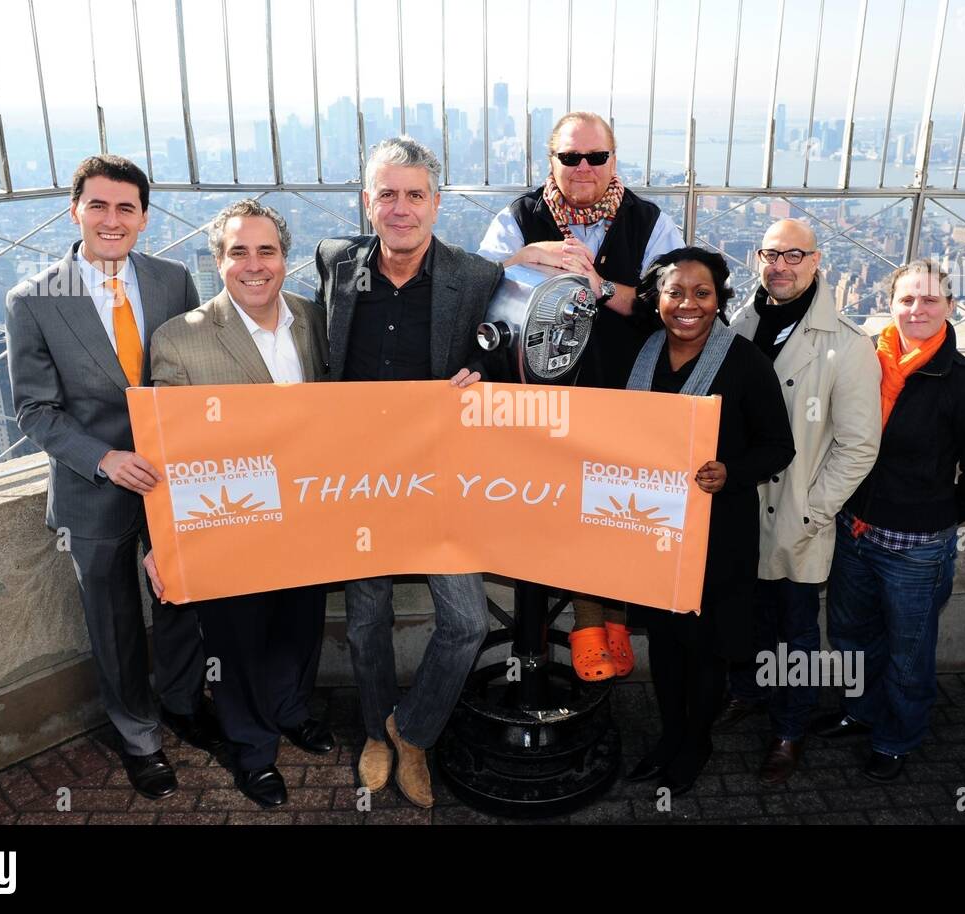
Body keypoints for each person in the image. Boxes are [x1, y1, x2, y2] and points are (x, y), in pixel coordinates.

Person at [4, 155, 219, 800]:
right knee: (114, 618)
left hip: (169, 482)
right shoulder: (33, 301)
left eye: (126, 208)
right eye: (98, 205)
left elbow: (186, 377)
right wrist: (104, 459)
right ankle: (138, 735)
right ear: (75, 211)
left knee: (180, 600)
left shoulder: (173, 279)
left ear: (144, 218)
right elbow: (34, 410)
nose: (112, 220)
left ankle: (182, 703)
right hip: (92, 488)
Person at [313, 136, 504, 809]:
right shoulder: (335, 263)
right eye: (386, 194)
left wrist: (482, 379)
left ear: (436, 203)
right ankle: (372, 731)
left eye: (414, 195)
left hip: (439, 480)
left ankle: (412, 729)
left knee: (466, 622)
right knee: (366, 620)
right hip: (361, 479)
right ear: (367, 202)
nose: (401, 208)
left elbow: (507, 363)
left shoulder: (477, 279)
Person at [479, 110, 683, 682]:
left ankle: (601, 622)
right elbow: (476, 286)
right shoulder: (519, 218)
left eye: (597, 156)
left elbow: (670, 304)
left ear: (615, 159)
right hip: (538, 403)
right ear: (552, 162)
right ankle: (554, 637)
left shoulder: (650, 222)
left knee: (612, 514)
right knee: (548, 516)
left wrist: (599, 286)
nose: (584, 167)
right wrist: (520, 259)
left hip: (618, 395)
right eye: (570, 157)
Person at [142, 200, 333, 808]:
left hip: (308, 513)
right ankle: (253, 752)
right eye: (238, 252)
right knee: (236, 643)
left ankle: (290, 710)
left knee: (301, 627)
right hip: (231, 519)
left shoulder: (316, 320)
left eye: (267, 250)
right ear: (217, 261)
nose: (254, 265)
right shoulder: (180, 339)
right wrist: (163, 545)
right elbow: (168, 451)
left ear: (286, 256)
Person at [814, 259, 965, 781]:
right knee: (851, 634)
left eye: (929, 300)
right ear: (889, 305)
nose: (917, 309)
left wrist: (936, 516)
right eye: (907, 299)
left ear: (950, 307)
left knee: (907, 650)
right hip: (855, 530)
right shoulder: (867, 363)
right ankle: (861, 711)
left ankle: (897, 737)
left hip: (915, 546)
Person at [621, 248, 794, 795]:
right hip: (653, 527)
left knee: (705, 647)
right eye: (675, 292)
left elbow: (779, 446)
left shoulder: (745, 362)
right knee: (666, 644)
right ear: (657, 300)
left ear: (719, 301)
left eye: (702, 293)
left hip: (717, 535)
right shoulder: (642, 352)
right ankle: (672, 735)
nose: (688, 304)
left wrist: (732, 472)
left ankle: (696, 742)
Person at [723, 218, 882, 787]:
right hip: (739, 509)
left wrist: (813, 513)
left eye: (795, 255)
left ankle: (790, 729)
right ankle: (748, 694)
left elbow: (860, 444)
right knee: (742, 615)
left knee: (795, 630)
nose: (781, 265)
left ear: (817, 262)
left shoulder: (847, 343)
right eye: (771, 253)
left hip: (796, 517)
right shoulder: (737, 324)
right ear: (756, 258)